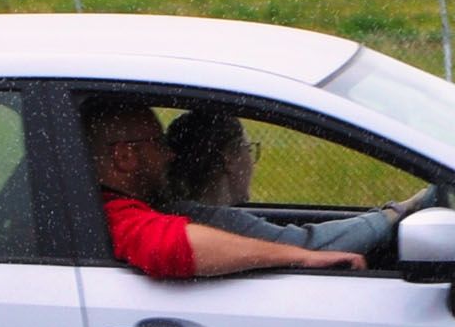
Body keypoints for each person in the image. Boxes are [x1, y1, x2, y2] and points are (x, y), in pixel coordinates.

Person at [85, 98, 365, 280]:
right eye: (158, 143)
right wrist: (301, 257)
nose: (170, 155)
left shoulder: (94, 206)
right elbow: (173, 246)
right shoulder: (111, 214)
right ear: (124, 156)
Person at [162, 108, 434, 257]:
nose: (252, 161)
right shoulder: (215, 222)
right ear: (230, 158)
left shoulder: (186, 212)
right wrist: (398, 211)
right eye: (248, 149)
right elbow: (305, 246)